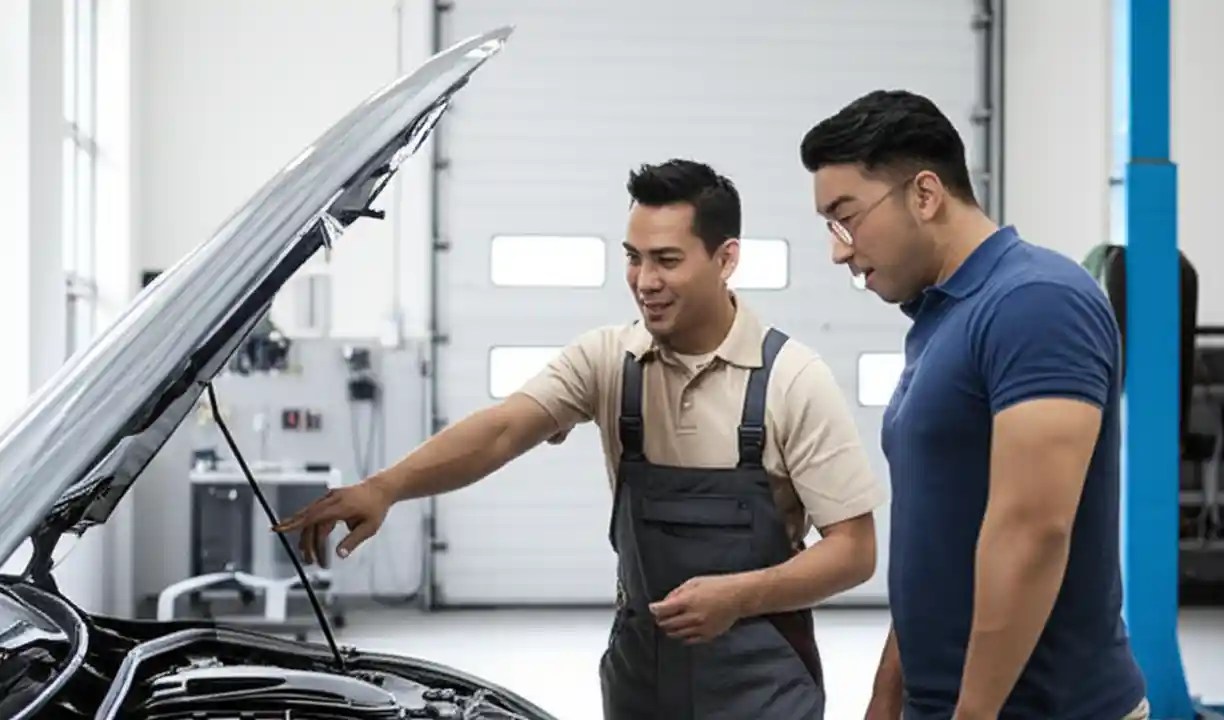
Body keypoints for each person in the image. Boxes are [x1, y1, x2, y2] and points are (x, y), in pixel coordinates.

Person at [275, 158, 888, 719]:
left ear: (726, 259)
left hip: (763, 692)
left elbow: (854, 551)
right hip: (639, 685)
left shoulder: (793, 380)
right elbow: (502, 429)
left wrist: (739, 596)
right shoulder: (607, 360)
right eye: (633, 257)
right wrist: (386, 487)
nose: (644, 280)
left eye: (667, 260)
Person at [797, 90, 1150, 720]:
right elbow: (942, 533)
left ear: (925, 195)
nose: (839, 249)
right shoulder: (943, 317)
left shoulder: (1037, 302)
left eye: (846, 217)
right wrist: (889, 695)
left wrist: (973, 714)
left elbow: (1034, 530)